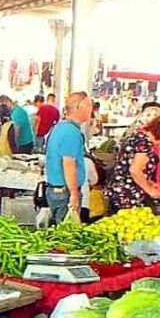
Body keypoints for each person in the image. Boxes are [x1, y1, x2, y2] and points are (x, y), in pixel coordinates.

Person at [105, 113, 160, 212]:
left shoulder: (138, 136)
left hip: (120, 189)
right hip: (128, 194)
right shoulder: (144, 144)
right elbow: (134, 170)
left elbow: (129, 165)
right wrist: (150, 190)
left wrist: (148, 182)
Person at [43, 91, 94, 223]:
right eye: (89, 105)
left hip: (57, 190)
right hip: (64, 193)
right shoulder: (71, 132)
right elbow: (68, 164)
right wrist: (74, 194)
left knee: (60, 232)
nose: (91, 109)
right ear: (80, 107)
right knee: (66, 236)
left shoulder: (60, 127)